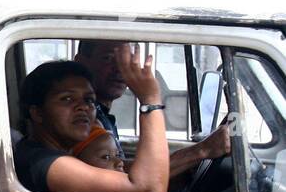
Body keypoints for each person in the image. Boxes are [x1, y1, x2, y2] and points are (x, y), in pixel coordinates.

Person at [15, 47, 169, 192]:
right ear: (37, 113)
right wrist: (150, 100)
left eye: (89, 100)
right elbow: (149, 191)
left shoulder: (51, 153)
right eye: (67, 99)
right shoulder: (44, 162)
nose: (83, 107)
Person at [74, 39, 229, 178]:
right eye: (108, 59)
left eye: (125, 61)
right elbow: (122, 178)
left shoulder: (101, 115)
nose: (119, 69)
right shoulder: (82, 121)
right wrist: (203, 150)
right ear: (81, 63)